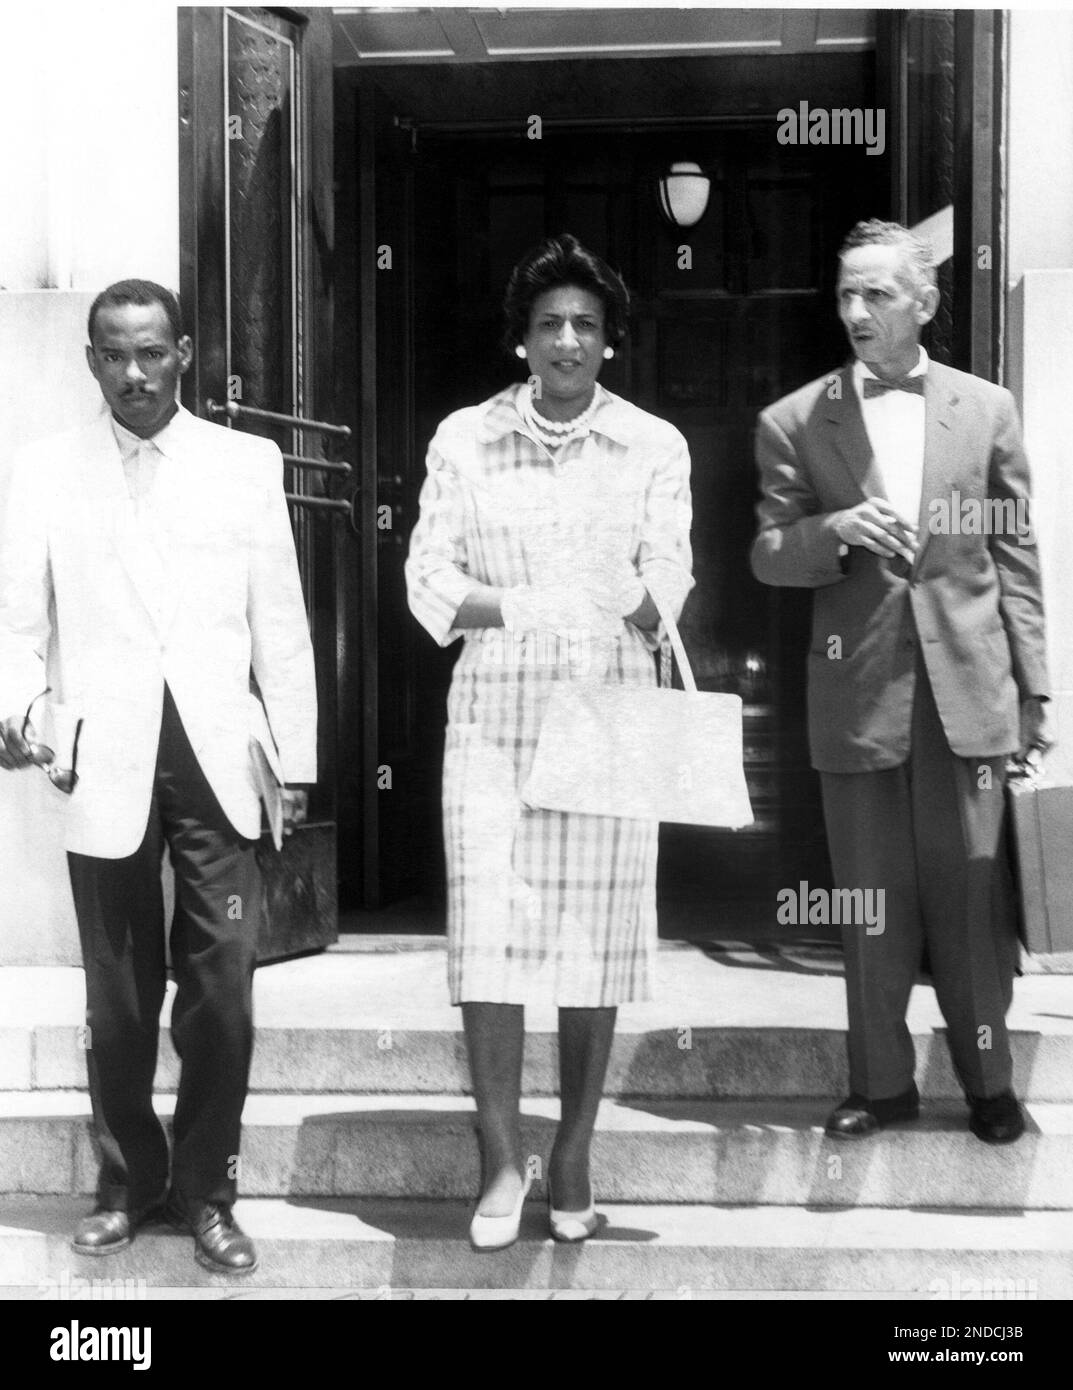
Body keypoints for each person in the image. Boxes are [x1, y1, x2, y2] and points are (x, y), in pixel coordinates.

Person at [0, 280, 318, 1272]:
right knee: (119, 999)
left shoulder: (244, 463)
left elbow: (282, 624)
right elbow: (17, 626)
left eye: (150, 353)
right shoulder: (44, 470)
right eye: (111, 355)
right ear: (90, 360)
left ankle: (208, 1190)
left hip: (220, 757)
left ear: (183, 352)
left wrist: (297, 758)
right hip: (101, 758)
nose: (133, 374)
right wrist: (21, 714)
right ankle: (129, 1181)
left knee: (221, 986)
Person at [406, 234, 693, 1250]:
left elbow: (668, 583)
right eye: (547, 324)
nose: (566, 340)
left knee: (593, 944)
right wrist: (529, 601)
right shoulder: (463, 439)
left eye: (585, 325)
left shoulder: (651, 445)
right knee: (487, 937)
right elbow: (428, 582)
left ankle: (570, 1148)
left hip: (606, 716)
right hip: (491, 718)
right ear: (521, 341)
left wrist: (622, 588)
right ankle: (497, 1159)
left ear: (608, 343)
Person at [751, 220, 1051, 1145]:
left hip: (971, 694)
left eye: (876, 294)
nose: (855, 312)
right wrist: (833, 530)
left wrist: (1034, 693)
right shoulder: (795, 420)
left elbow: (1013, 558)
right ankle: (880, 1085)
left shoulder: (985, 409)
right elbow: (766, 556)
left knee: (969, 896)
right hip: (858, 699)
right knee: (868, 900)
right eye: (845, 294)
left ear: (923, 303)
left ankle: (989, 1082)